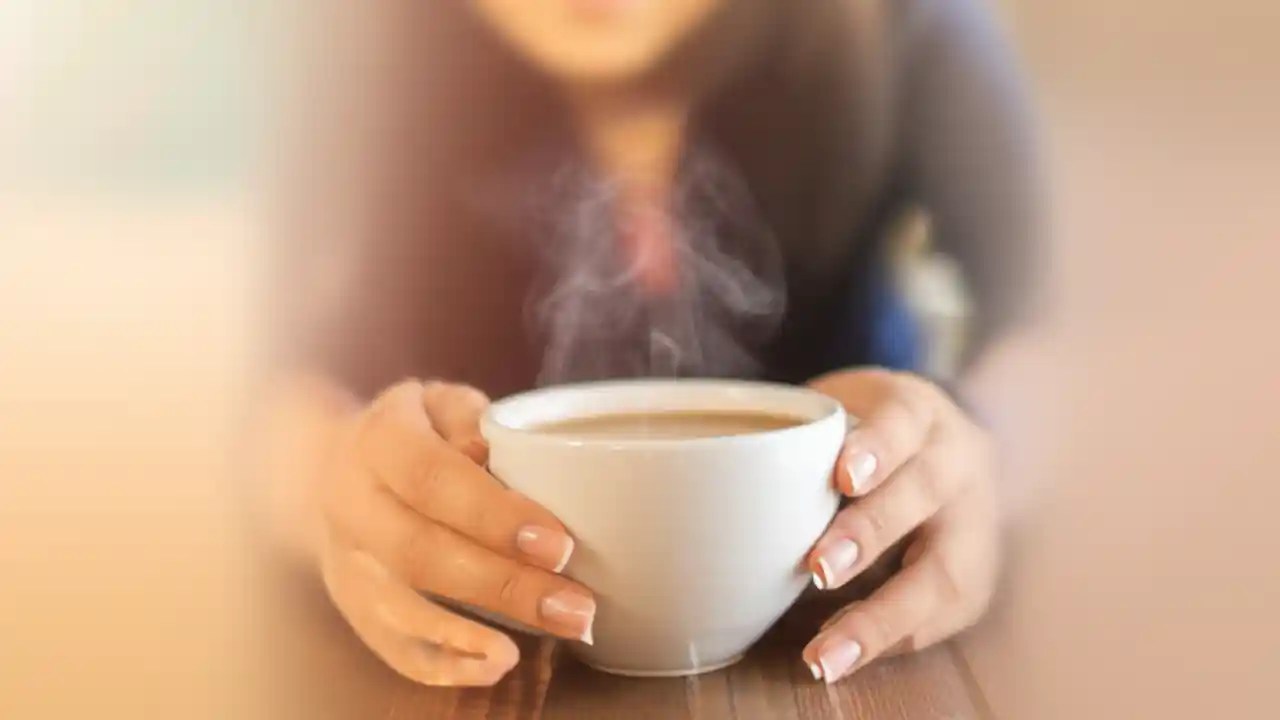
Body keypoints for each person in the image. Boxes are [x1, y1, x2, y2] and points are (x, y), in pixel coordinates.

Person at [259, 0, 1043, 687]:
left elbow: (1054, 340)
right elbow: (274, 397)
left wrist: (981, 454)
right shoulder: (365, 47)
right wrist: (338, 479)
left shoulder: (902, 25)